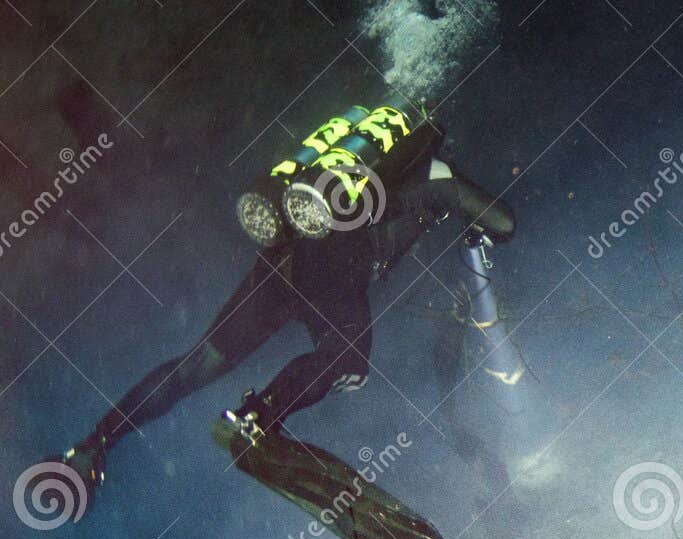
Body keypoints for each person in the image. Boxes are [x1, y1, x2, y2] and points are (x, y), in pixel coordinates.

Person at [57, 105, 514, 509]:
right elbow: (506, 223)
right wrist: (470, 217)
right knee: (347, 357)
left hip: (282, 258)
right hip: (335, 265)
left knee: (195, 366)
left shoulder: (345, 158)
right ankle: (260, 416)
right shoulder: (437, 173)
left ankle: (94, 442)